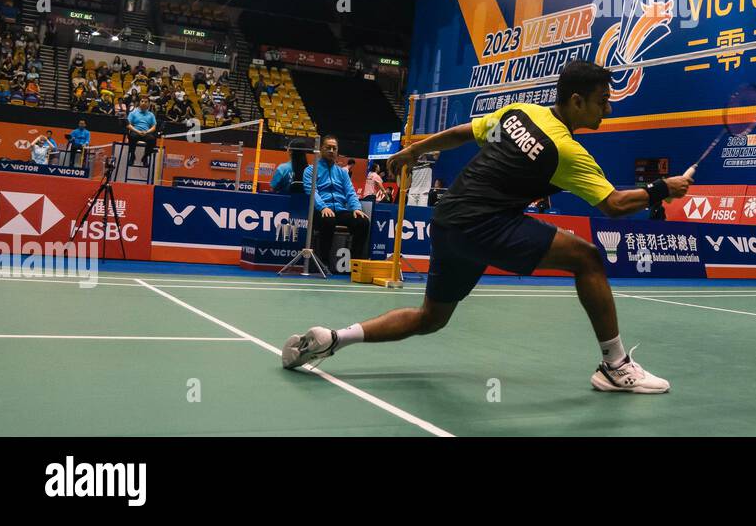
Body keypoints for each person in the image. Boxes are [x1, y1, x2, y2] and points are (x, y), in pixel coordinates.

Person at [281, 60, 691, 393]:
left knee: (431, 317)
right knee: (587, 258)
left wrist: (414, 150)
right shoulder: (565, 150)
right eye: (603, 101)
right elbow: (615, 206)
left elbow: (464, 133)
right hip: (484, 224)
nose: (609, 109)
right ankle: (615, 365)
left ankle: (334, 338)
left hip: (448, 221)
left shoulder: (520, 113)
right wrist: (661, 189)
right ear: (577, 101)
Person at [302, 136, 371, 266]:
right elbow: (312, 192)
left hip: (340, 210)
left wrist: (356, 208)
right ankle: (324, 263)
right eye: (328, 147)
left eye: (334, 148)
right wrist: (323, 207)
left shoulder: (342, 173)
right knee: (328, 220)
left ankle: (355, 264)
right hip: (320, 211)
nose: (331, 150)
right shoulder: (311, 170)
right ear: (321, 149)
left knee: (363, 222)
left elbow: (350, 192)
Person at [125, 95, 159, 167]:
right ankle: (132, 156)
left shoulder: (151, 115)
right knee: (132, 136)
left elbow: (154, 127)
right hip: (136, 132)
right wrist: (137, 131)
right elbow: (128, 125)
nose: (143, 103)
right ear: (139, 103)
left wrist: (147, 132)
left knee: (152, 139)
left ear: (148, 104)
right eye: (142, 101)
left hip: (146, 133)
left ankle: (145, 157)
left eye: (146, 102)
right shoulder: (133, 113)